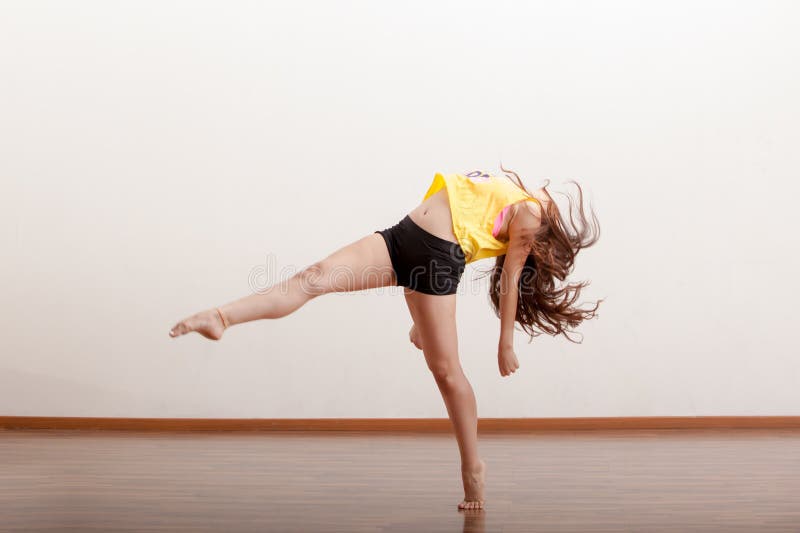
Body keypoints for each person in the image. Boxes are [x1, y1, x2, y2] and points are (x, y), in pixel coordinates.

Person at [169, 165, 603, 510]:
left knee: (446, 372)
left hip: (435, 256)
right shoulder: (517, 191)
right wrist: (422, 313)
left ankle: (474, 470)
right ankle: (221, 316)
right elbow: (473, 225)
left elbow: (509, 276)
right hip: (404, 237)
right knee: (314, 277)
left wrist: (504, 342)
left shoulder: (530, 216)